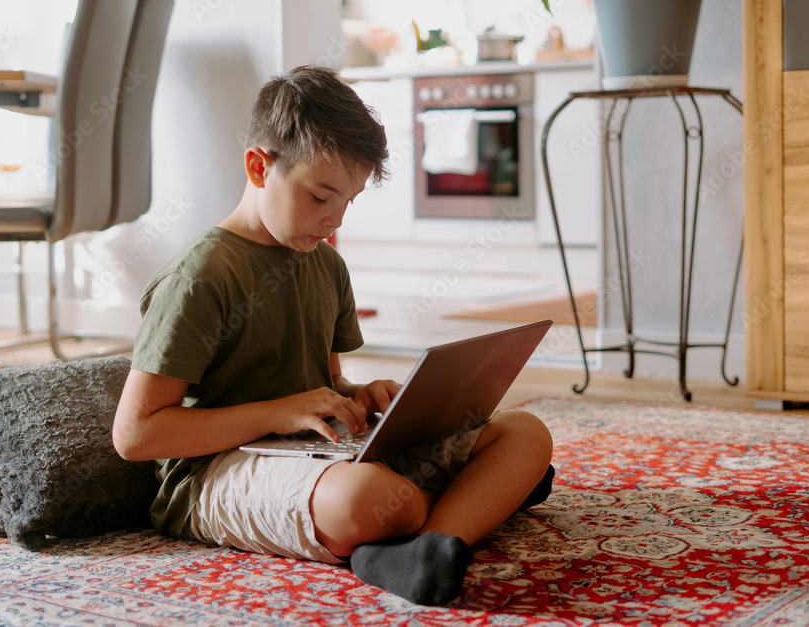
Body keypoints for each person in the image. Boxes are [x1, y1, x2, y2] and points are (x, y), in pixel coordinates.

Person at [112, 65, 555, 606]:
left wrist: (360, 398)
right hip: (214, 473)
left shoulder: (324, 264)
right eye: (321, 197)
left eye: (348, 201)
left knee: (524, 432)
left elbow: (327, 382)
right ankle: (468, 501)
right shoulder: (200, 277)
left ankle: (431, 546)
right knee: (374, 498)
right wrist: (279, 412)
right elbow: (136, 435)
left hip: (312, 453)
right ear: (259, 166)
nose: (333, 219)